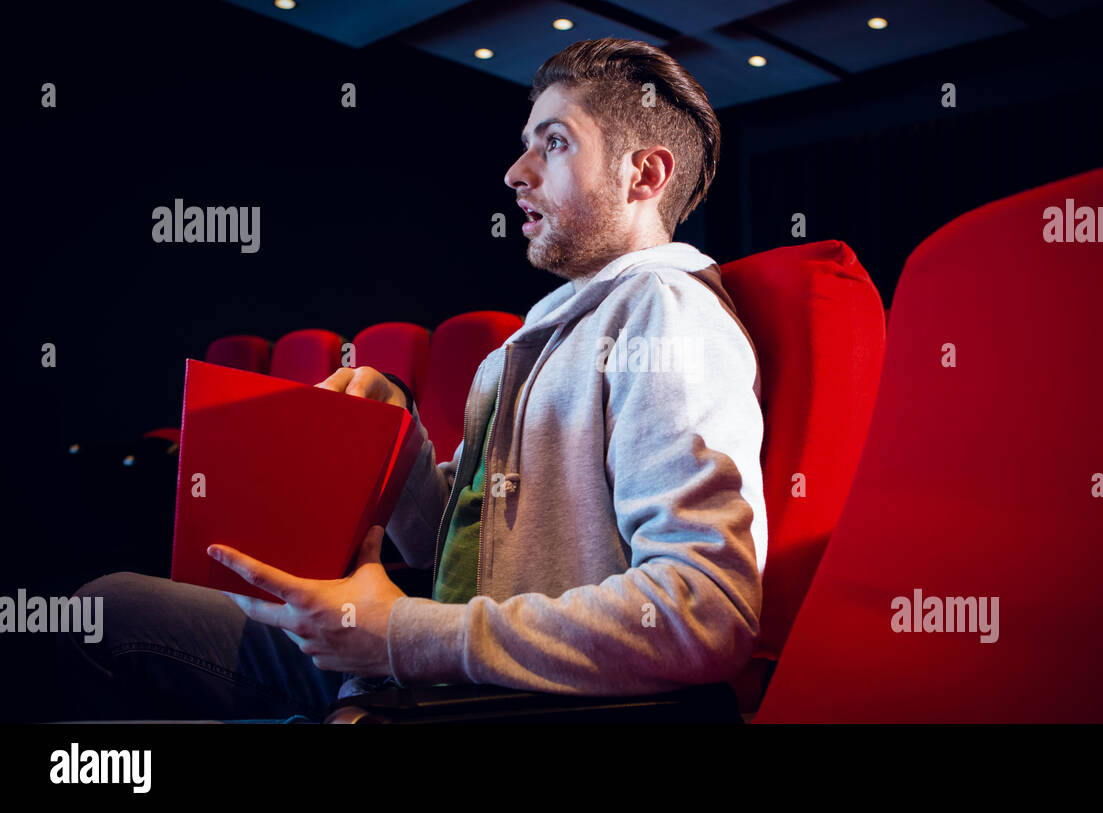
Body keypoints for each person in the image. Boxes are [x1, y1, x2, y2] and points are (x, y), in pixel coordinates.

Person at [59, 37, 765, 720]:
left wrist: (400, 632)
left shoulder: (665, 317)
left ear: (644, 175)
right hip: (419, 663)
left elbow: (702, 610)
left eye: (553, 142)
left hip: (488, 698)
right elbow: (448, 554)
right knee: (104, 611)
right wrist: (394, 432)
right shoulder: (543, 331)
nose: (517, 171)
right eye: (527, 142)